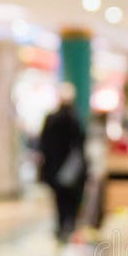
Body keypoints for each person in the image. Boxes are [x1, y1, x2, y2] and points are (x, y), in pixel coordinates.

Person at [39, 83, 86, 242]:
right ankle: (69, 225)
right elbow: (80, 145)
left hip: (56, 168)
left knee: (60, 200)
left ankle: (61, 226)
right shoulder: (76, 119)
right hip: (71, 170)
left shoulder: (51, 119)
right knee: (71, 200)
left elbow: (43, 145)